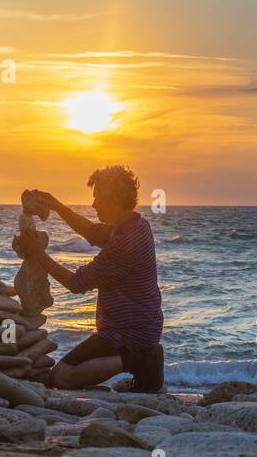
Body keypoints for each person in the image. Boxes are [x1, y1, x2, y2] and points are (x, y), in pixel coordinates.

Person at [12, 165, 165, 392]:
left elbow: (77, 283)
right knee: (64, 373)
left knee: (62, 377)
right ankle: (141, 359)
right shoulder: (133, 225)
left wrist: (37, 253)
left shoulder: (126, 244)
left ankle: (141, 361)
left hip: (129, 333)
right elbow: (92, 232)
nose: (93, 205)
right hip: (131, 328)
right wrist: (57, 206)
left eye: (98, 199)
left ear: (114, 199)